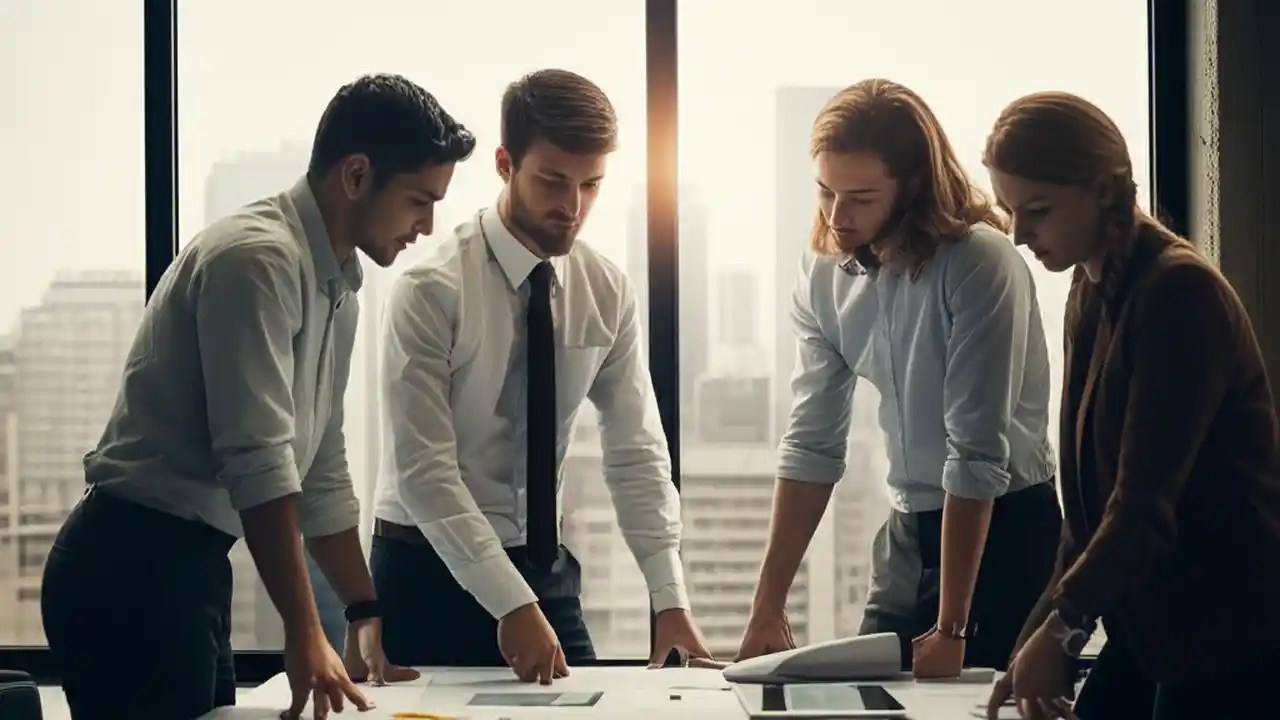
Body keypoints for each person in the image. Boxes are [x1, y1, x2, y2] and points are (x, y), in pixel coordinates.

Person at [40, 73, 476, 720]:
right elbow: (260, 464)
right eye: (418, 200)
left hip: (192, 569)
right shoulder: (256, 262)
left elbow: (321, 467)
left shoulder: (338, 288)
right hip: (128, 569)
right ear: (357, 176)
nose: (427, 225)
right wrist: (303, 632)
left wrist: (362, 610)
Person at [370, 68, 712, 683]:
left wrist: (669, 599)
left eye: (591, 185)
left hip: (542, 572)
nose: (572, 207)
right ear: (505, 164)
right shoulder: (431, 291)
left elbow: (635, 451)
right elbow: (424, 474)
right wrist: (510, 603)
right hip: (424, 572)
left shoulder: (605, 290)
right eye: (553, 181)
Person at [736, 79, 1062, 679]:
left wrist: (951, 627)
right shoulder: (823, 274)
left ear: (912, 187)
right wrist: (767, 608)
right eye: (825, 192)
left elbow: (976, 454)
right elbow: (811, 444)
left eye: (861, 198)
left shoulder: (980, 262)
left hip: (1004, 526)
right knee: (868, 694)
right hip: (907, 529)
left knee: (975, 705)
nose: (837, 217)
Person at [984, 91, 1280, 720]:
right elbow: (1086, 514)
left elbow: (1143, 509)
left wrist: (1061, 631)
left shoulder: (1180, 292)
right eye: (1010, 211)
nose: (1019, 235)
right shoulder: (1089, 287)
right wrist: (1031, 645)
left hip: (1227, 634)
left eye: (1037, 210)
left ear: (1103, 190)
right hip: (1152, 624)